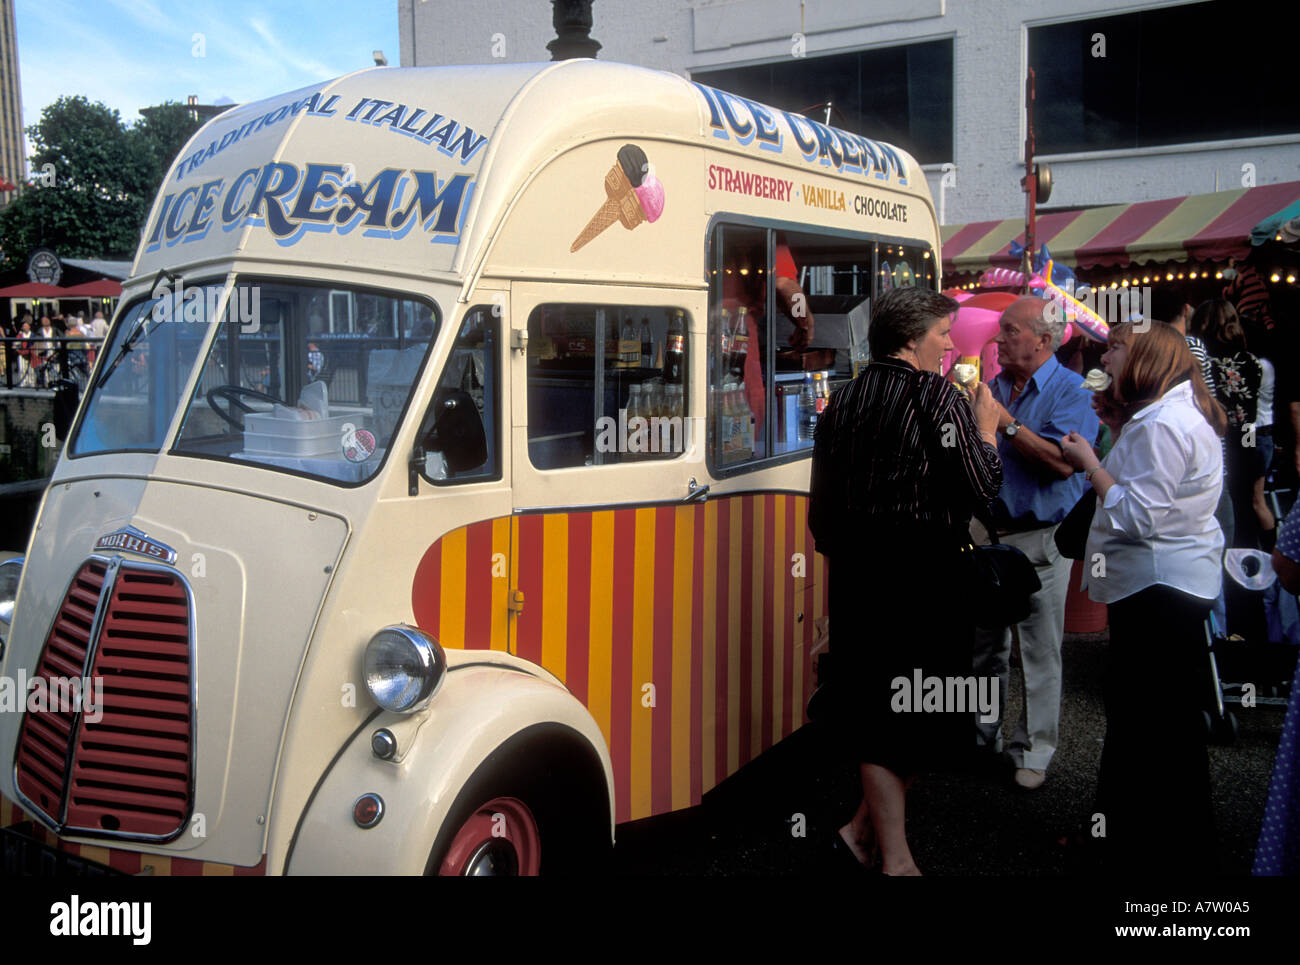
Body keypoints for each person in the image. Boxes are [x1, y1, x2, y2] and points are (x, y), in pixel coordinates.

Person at [809, 286, 1002, 875]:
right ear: (912, 336)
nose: (949, 343)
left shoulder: (840, 401)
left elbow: (822, 513)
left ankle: (860, 832)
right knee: (919, 710)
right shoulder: (937, 396)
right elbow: (982, 485)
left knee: (882, 710)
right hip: (925, 579)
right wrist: (988, 429)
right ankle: (896, 860)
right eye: (943, 333)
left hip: (859, 578)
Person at [1060, 321, 1226, 875]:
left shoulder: (1162, 424)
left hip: (1158, 587)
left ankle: (1138, 842)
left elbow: (1136, 515)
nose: (1107, 354)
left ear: (1146, 358)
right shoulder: (1168, 416)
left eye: (1117, 347)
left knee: (1144, 721)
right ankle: (1166, 836)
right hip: (1175, 583)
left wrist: (1092, 463)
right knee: (1162, 720)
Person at [975, 296, 1100, 790]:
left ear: (1044, 340)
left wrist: (1003, 421)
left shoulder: (1074, 390)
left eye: (1010, 331)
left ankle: (1034, 751)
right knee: (985, 645)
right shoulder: (994, 386)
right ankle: (981, 737)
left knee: (1038, 650)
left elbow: (1063, 462)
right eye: (1001, 331)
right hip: (988, 534)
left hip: (1041, 537)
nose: (998, 339)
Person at [1192, 299, 1263, 549]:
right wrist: (1249, 449)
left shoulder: (1202, 359)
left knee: (1219, 518)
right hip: (1246, 441)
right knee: (1247, 513)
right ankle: (1251, 574)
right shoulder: (1251, 361)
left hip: (1217, 444)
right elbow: (1250, 413)